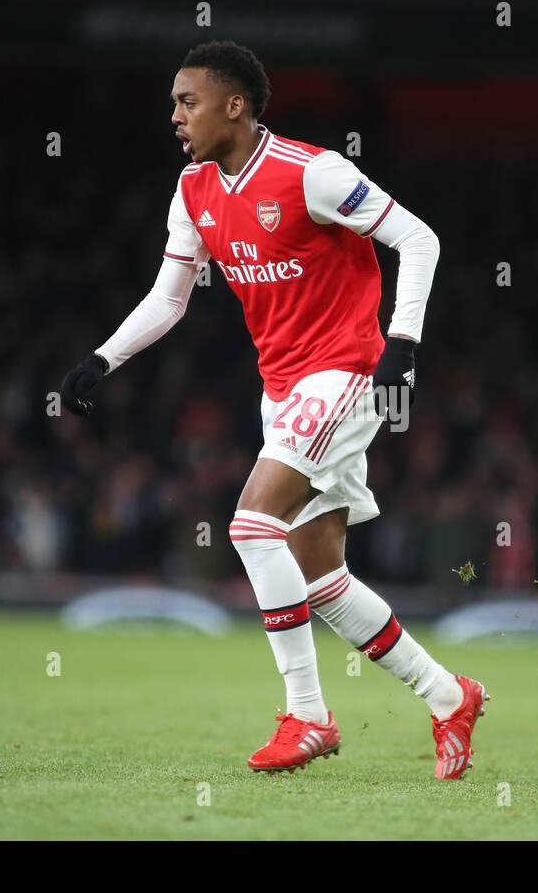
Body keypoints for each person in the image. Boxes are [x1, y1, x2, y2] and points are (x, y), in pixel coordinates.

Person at [60, 40, 488, 779]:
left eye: (185, 101)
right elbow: (170, 298)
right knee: (319, 570)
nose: (173, 116)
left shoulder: (310, 173)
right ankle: (449, 693)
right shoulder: (193, 189)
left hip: (346, 373)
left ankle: (309, 717)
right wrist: (102, 359)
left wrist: (404, 345)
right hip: (283, 388)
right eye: (172, 102)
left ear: (235, 105)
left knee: (250, 524)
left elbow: (418, 238)